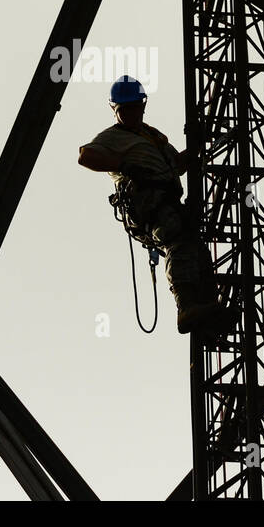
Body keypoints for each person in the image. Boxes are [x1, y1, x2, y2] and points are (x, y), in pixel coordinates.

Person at [78, 75, 225, 335]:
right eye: (125, 109)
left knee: (197, 248)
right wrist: (122, 165)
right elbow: (85, 155)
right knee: (177, 239)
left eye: (134, 107)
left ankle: (208, 308)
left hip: (168, 200)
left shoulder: (154, 137)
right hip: (149, 206)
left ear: (142, 105)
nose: (131, 113)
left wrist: (197, 145)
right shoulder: (113, 137)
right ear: (116, 110)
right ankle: (186, 306)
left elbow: (177, 166)